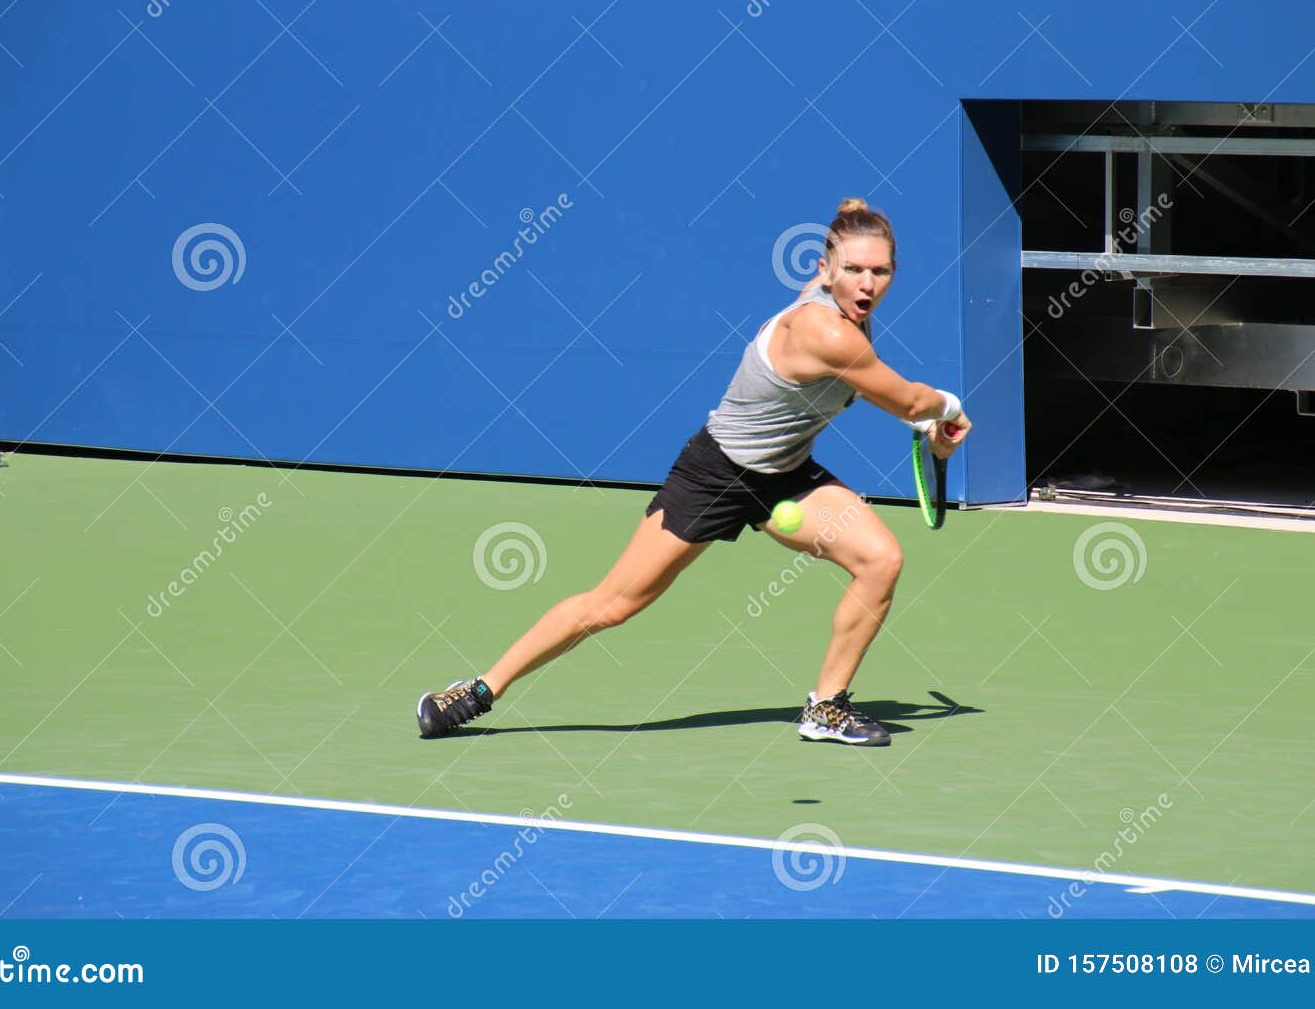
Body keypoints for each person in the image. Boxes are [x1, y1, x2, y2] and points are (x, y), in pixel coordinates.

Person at [416, 198, 972, 747]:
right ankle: (479, 690)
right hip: (715, 475)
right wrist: (945, 411)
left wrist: (931, 430)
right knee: (614, 604)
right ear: (824, 270)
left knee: (881, 559)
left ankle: (826, 708)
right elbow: (909, 401)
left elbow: (902, 404)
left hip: (786, 478)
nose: (866, 283)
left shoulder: (852, 320)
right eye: (853, 269)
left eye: (880, 271)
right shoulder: (824, 331)